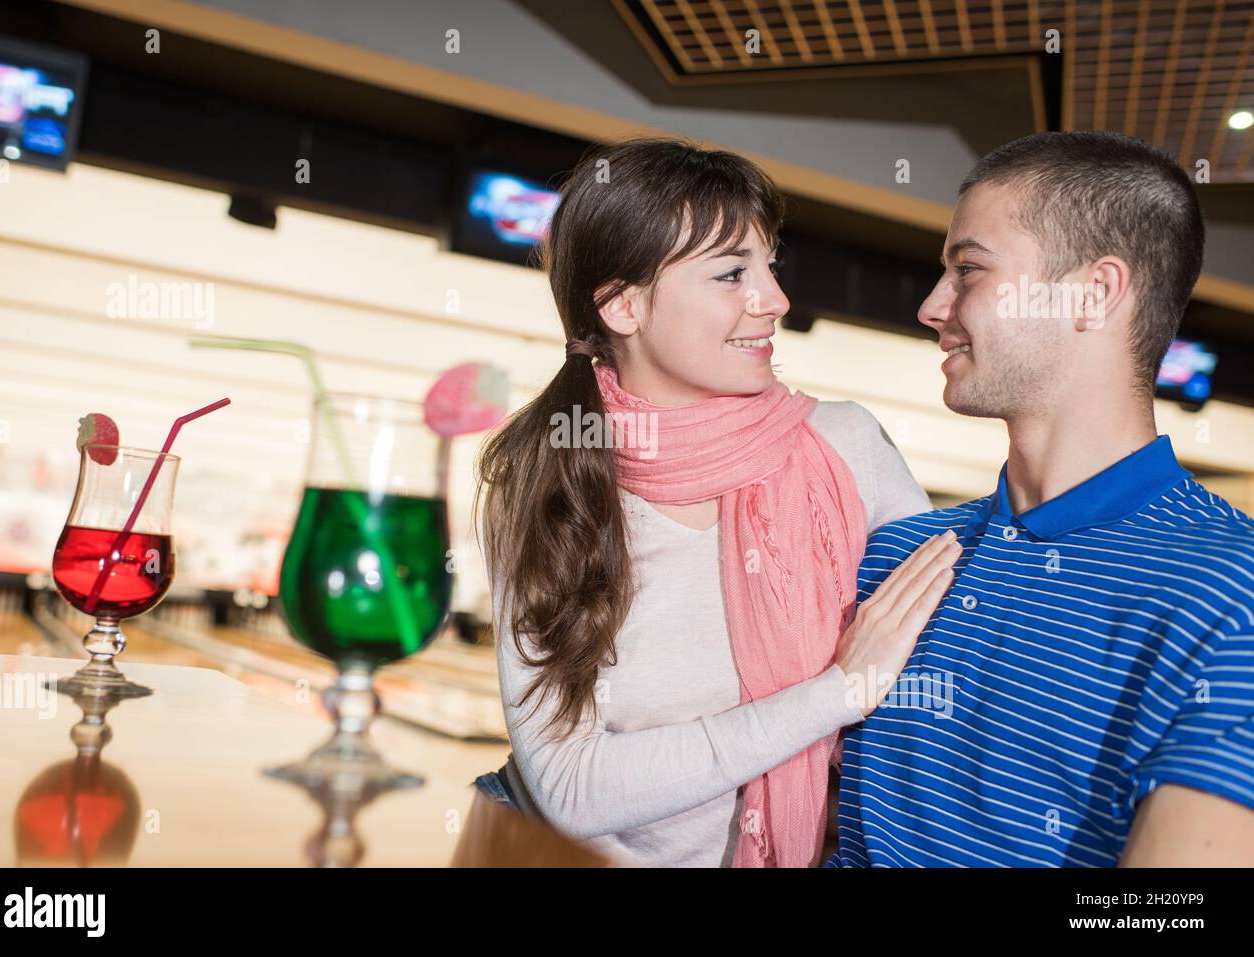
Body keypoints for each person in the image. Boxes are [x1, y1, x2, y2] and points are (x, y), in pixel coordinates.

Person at [475, 137, 956, 867]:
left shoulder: (844, 445)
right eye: (733, 272)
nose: (776, 300)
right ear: (623, 305)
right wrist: (836, 693)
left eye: (770, 265)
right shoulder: (546, 474)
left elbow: (941, 658)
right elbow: (569, 787)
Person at [828, 131, 1254, 867]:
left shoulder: (1228, 590)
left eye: (969, 270)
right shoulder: (895, 557)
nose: (933, 306)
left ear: (1095, 291)